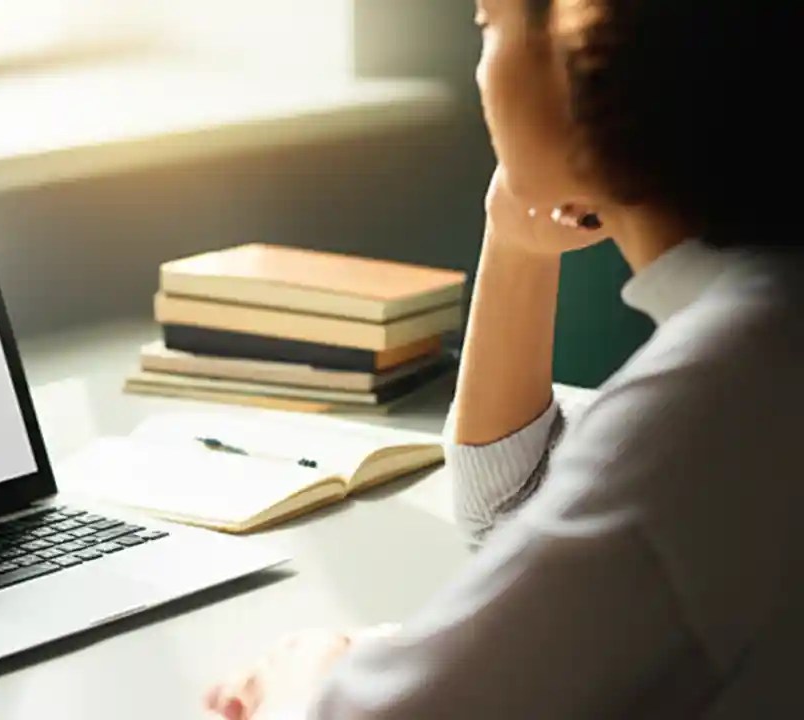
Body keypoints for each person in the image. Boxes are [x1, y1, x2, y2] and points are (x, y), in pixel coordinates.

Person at [205, 0, 801, 717]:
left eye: (489, 24)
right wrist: (515, 241)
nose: (482, 66)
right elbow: (516, 507)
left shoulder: (719, 394)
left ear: (583, 57)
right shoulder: (753, 329)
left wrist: (306, 674)